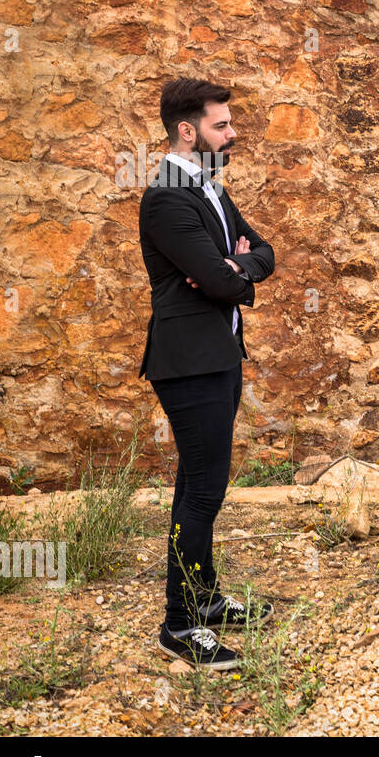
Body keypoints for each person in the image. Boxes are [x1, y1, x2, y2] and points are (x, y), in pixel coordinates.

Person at [139, 77, 276, 669]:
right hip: (188, 363)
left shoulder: (210, 189)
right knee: (204, 491)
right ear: (187, 131)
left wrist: (234, 263)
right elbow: (221, 283)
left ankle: (207, 598)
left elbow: (265, 254)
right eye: (222, 125)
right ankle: (179, 623)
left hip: (219, 355)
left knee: (197, 486)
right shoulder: (168, 196)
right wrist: (230, 271)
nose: (233, 132)